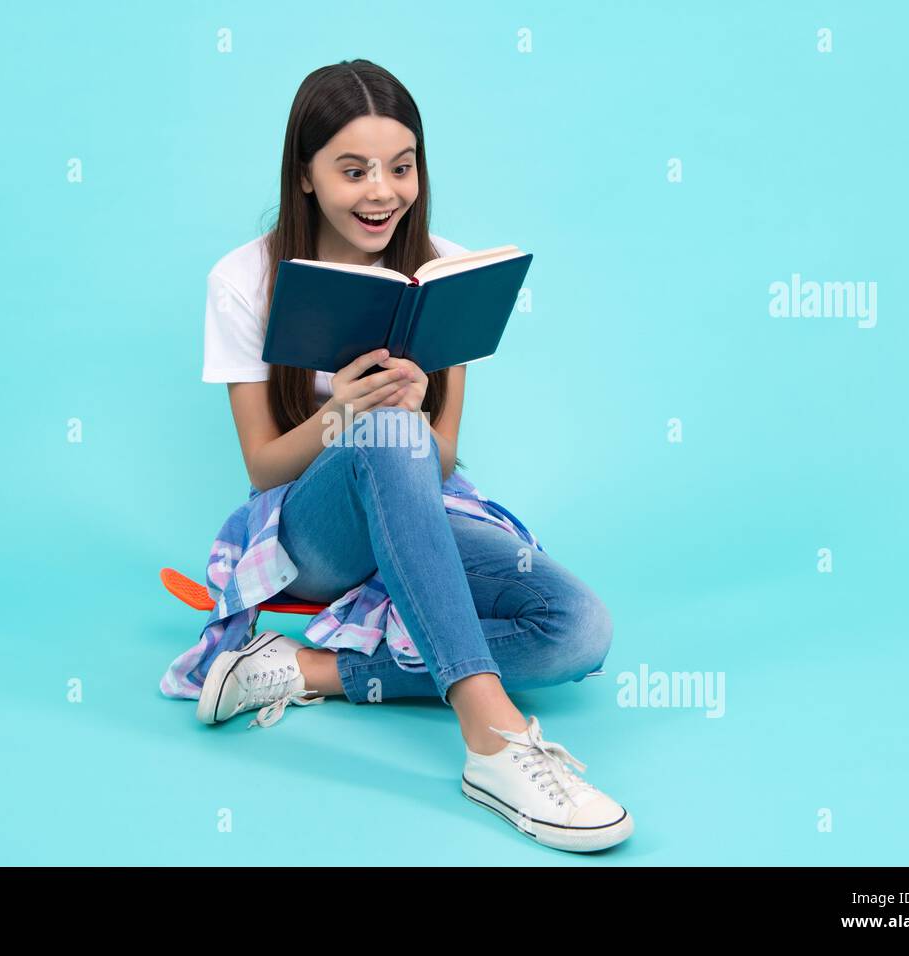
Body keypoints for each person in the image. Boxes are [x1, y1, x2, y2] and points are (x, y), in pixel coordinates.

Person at [163, 58, 633, 853]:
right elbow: (263, 467)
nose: (382, 191)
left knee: (578, 629)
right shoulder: (243, 279)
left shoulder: (447, 266)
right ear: (305, 176)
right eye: (353, 170)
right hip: (306, 537)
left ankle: (306, 672)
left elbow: (442, 456)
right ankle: (492, 739)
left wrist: (411, 406)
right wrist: (345, 413)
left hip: (421, 512)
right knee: (385, 431)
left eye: (401, 166)